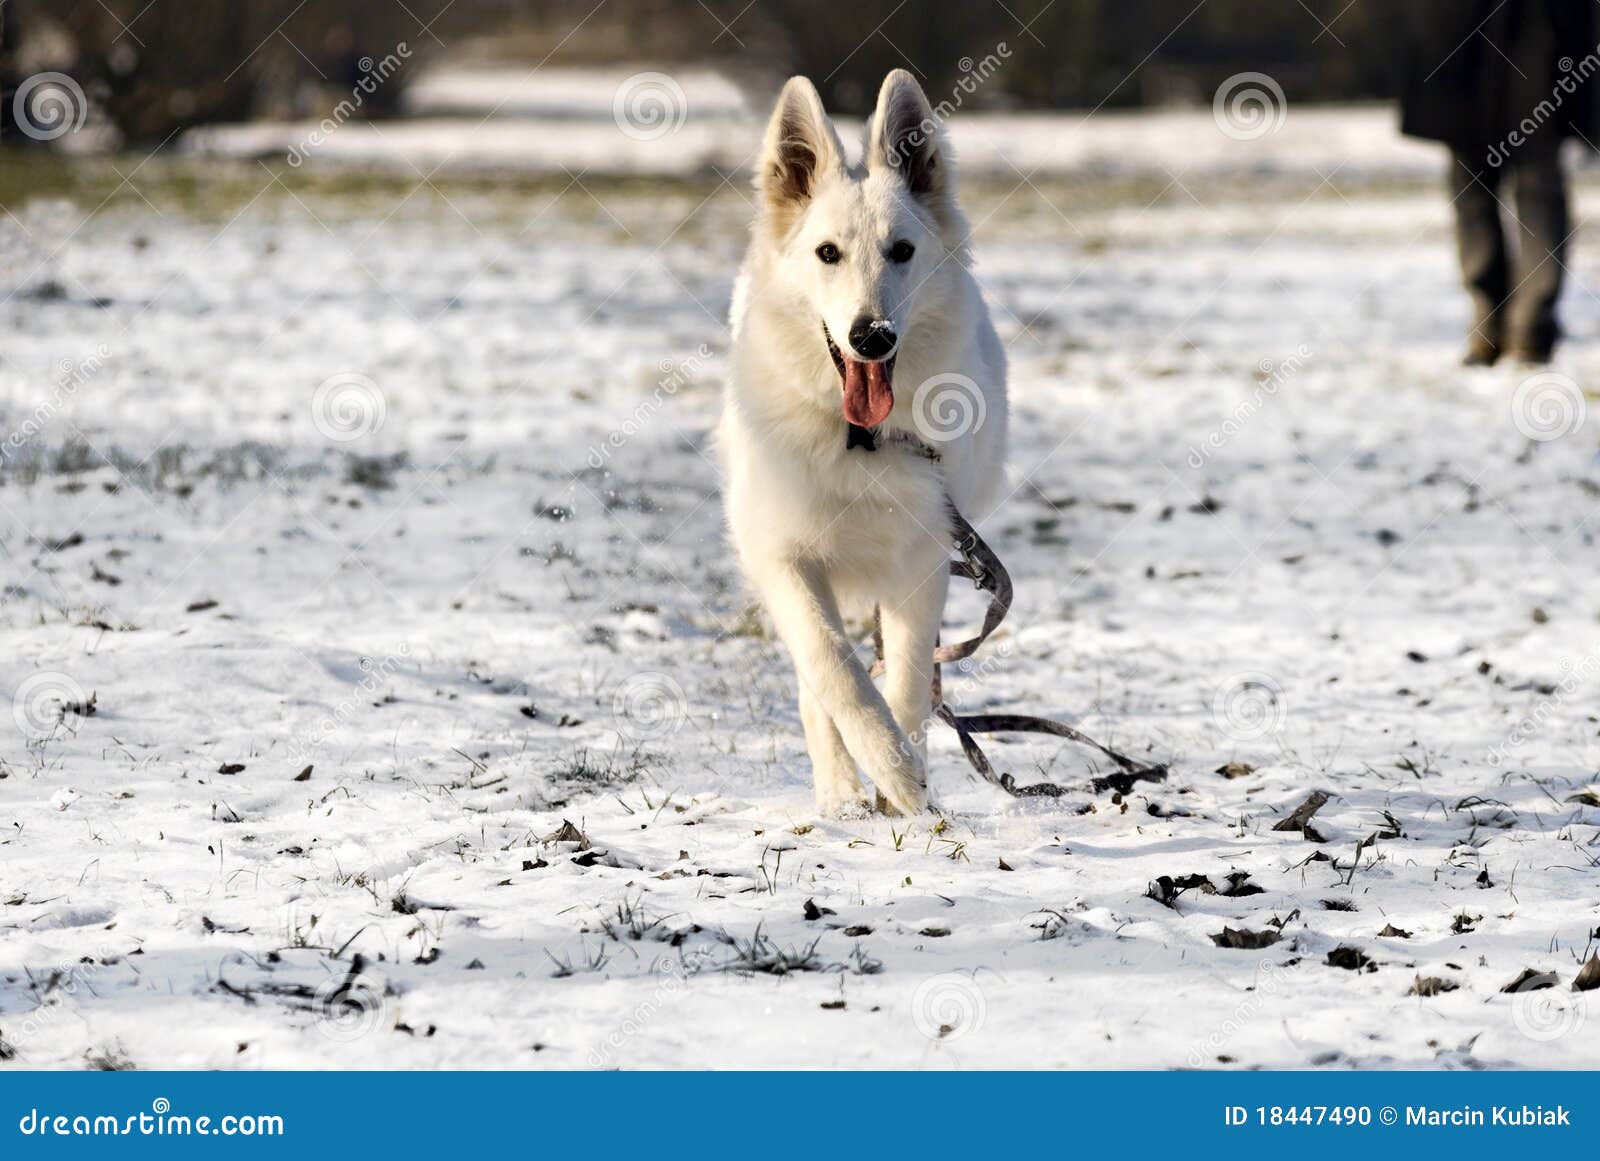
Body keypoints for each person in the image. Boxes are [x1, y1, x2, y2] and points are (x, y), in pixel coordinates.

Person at [1399, 0, 1597, 365]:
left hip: (1540, 30)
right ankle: (1488, 320)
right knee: (1471, 183)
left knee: (1539, 181)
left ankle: (1531, 325)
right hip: (1461, 34)